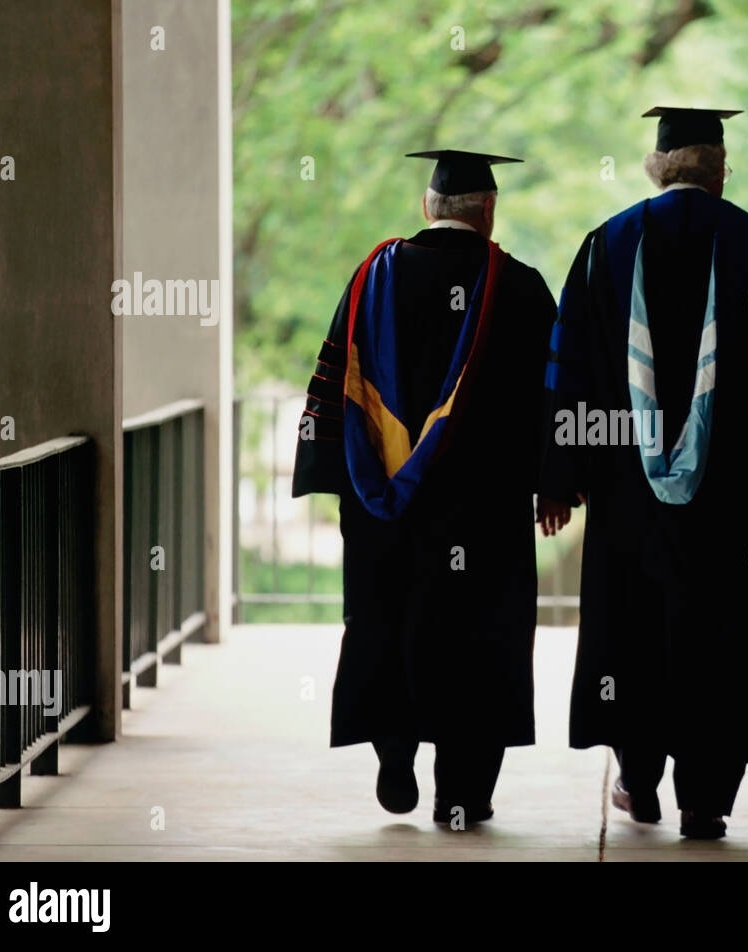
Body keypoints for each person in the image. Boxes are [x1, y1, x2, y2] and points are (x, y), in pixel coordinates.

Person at [541, 107, 748, 839]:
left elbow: (566, 374)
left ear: (654, 167)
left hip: (627, 495)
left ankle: (639, 779)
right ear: (721, 169)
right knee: (719, 636)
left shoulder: (605, 247)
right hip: (735, 499)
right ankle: (707, 801)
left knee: (632, 630)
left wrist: (561, 478)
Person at [291, 149, 566, 827]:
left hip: (385, 506)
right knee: (481, 639)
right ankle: (464, 793)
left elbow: (334, 387)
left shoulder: (370, 282)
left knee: (390, 621)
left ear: (428, 207)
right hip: (485, 515)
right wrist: (555, 483)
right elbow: (557, 398)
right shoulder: (522, 288)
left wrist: (335, 480)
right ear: (489, 211)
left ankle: (394, 751)